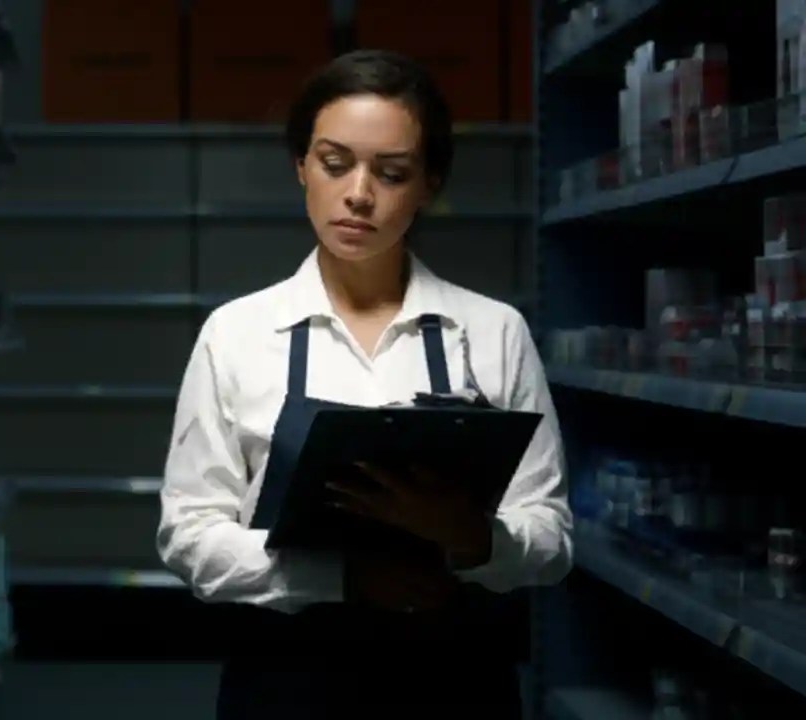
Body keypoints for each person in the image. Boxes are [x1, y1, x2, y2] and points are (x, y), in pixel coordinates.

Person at [156, 49, 573, 718]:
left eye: (392, 172)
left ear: (429, 183)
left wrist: (471, 539)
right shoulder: (237, 334)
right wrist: (344, 579)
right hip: (287, 682)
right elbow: (189, 534)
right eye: (334, 162)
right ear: (301, 166)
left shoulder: (493, 332)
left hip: (457, 683)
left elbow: (550, 536)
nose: (358, 193)